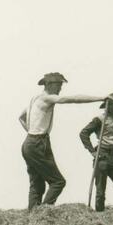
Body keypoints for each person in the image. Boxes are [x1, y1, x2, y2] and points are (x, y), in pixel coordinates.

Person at [19, 72, 106, 209]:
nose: (60, 88)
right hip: (38, 143)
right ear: (48, 84)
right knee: (58, 182)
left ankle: (32, 217)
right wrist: (101, 98)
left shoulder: (35, 99)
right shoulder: (47, 98)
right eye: (58, 85)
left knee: (37, 185)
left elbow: (21, 117)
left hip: (28, 143)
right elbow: (73, 99)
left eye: (61, 85)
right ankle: (43, 213)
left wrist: (32, 132)